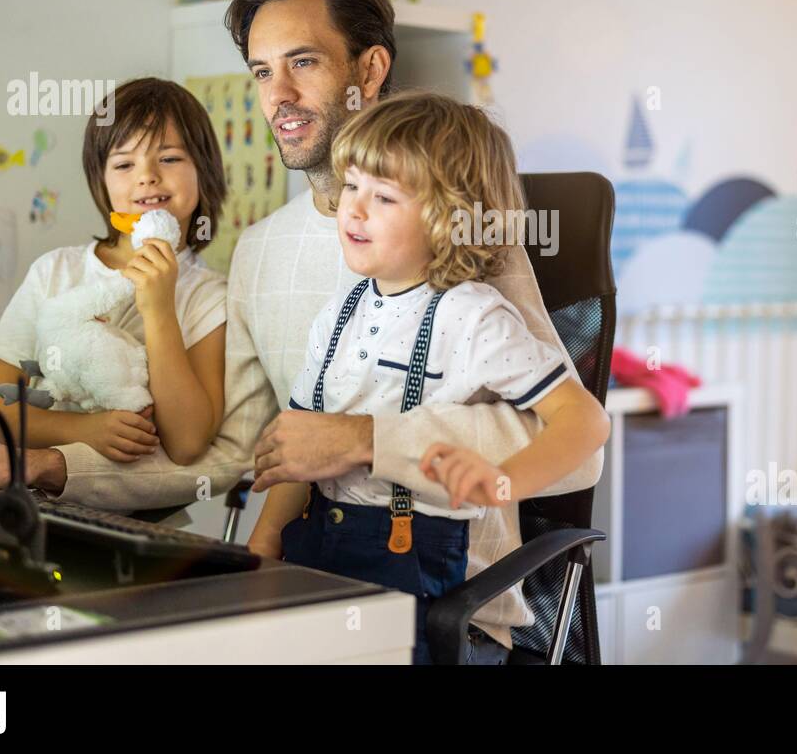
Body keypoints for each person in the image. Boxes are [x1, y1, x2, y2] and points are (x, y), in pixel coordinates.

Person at [0, 0, 603, 661]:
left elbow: (575, 456)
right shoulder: (258, 252)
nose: (277, 94)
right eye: (261, 71)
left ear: (370, 70)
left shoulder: (456, 236)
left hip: (442, 606)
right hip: (317, 588)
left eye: (304, 62)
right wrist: (56, 467)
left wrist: (362, 438)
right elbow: (235, 455)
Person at [247, 92, 609, 664]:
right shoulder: (340, 313)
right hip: (327, 570)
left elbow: (585, 421)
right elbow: (300, 445)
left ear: (448, 219)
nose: (354, 211)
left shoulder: (474, 316)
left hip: (433, 606)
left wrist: (503, 481)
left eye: (383, 197)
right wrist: (262, 550)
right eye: (351, 187)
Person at [0, 77, 228, 466]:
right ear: (101, 180)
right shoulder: (54, 271)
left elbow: (187, 444)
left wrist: (160, 311)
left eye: (169, 158)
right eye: (124, 163)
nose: (146, 175)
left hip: (130, 518)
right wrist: (83, 429)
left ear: (205, 169)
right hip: (27, 501)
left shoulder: (211, 296)